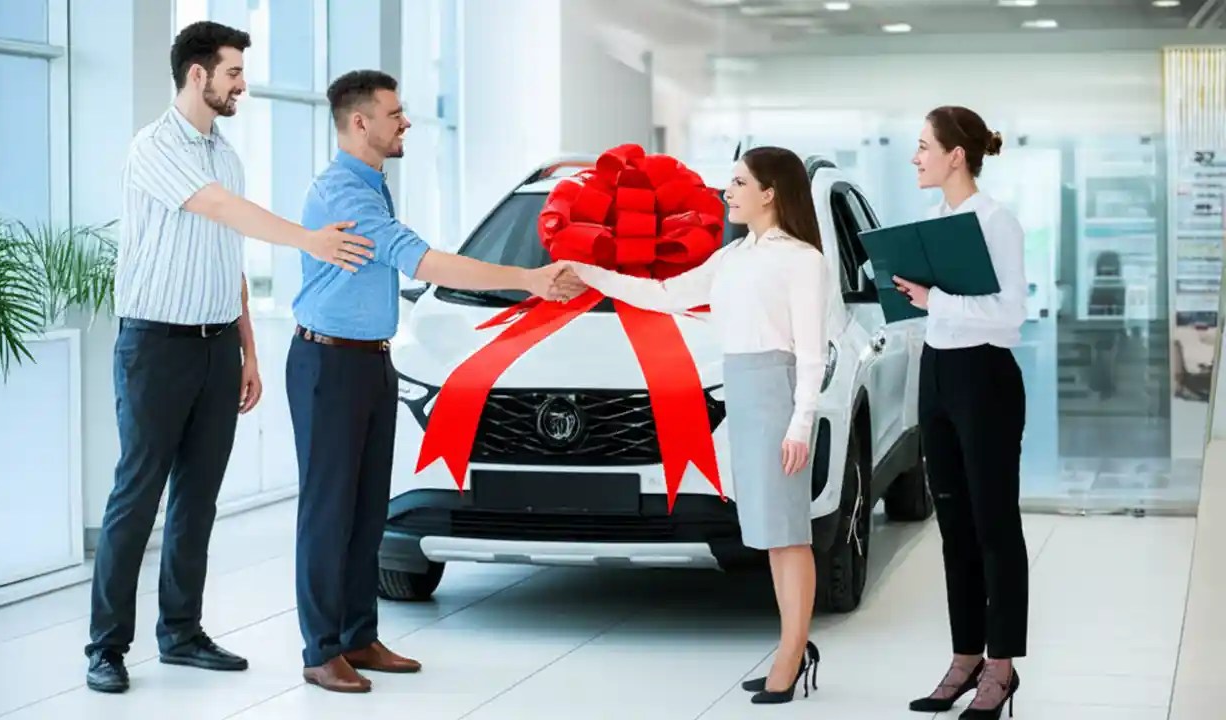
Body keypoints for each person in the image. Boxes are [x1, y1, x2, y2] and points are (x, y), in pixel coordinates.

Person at [85, 21, 374, 694]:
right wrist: (308, 239)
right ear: (197, 75)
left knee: (197, 499)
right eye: (234, 72)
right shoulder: (156, 146)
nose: (242, 83)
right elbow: (220, 210)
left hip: (217, 346)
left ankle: (181, 632)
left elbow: (228, 258)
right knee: (137, 496)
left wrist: (247, 350)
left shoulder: (227, 153)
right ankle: (106, 645)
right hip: (154, 346)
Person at [288, 69, 574, 694]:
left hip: (368, 359)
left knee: (367, 507)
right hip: (328, 363)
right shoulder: (345, 192)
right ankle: (320, 649)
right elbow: (420, 260)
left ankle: (359, 635)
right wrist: (526, 279)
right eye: (395, 113)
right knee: (327, 509)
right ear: (360, 123)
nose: (406, 122)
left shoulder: (372, 183)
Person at [558, 147, 827, 706]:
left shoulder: (802, 259)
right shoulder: (733, 257)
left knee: (787, 533)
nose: (726, 192)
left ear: (770, 193)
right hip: (743, 390)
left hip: (777, 393)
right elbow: (663, 295)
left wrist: (801, 423)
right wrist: (590, 274)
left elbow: (811, 352)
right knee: (768, 532)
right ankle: (792, 647)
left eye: (737, 182)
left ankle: (791, 653)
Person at [892, 106, 1029, 719]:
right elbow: (939, 312)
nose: (916, 157)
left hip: (986, 377)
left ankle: (1001, 666)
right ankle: (965, 655)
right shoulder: (935, 221)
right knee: (952, 526)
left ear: (956, 155)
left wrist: (935, 298)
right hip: (939, 372)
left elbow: (1009, 314)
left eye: (924, 147)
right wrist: (910, 299)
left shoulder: (997, 221)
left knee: (995, 524)